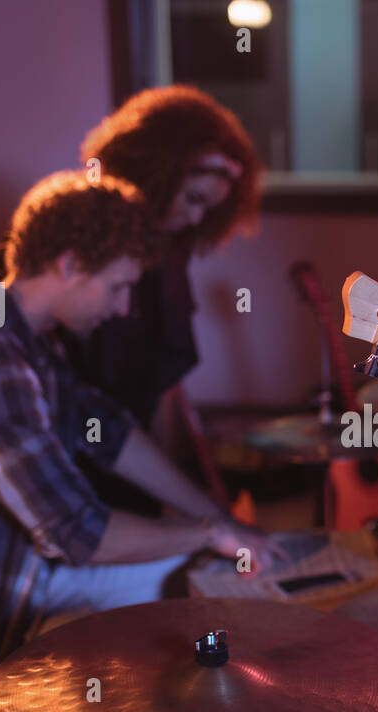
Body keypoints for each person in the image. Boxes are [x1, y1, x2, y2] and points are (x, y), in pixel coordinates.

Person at [0, 171, 281, 712]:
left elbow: (107, 433)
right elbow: (78, 535)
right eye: (117, 287)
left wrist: (218, 517)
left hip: (20, 562)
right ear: (68, 265)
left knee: (197, 574)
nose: (121, 309)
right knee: (189, 586)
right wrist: (209, 533)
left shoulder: (17, 324)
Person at [74, 86, 261, 471]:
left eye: (207, 209)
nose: (195, 219)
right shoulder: (82, 242)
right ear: (153, 173)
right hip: (80, 462)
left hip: (137, 456)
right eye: (193, 198)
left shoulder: (169, 248)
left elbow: (164, 376)